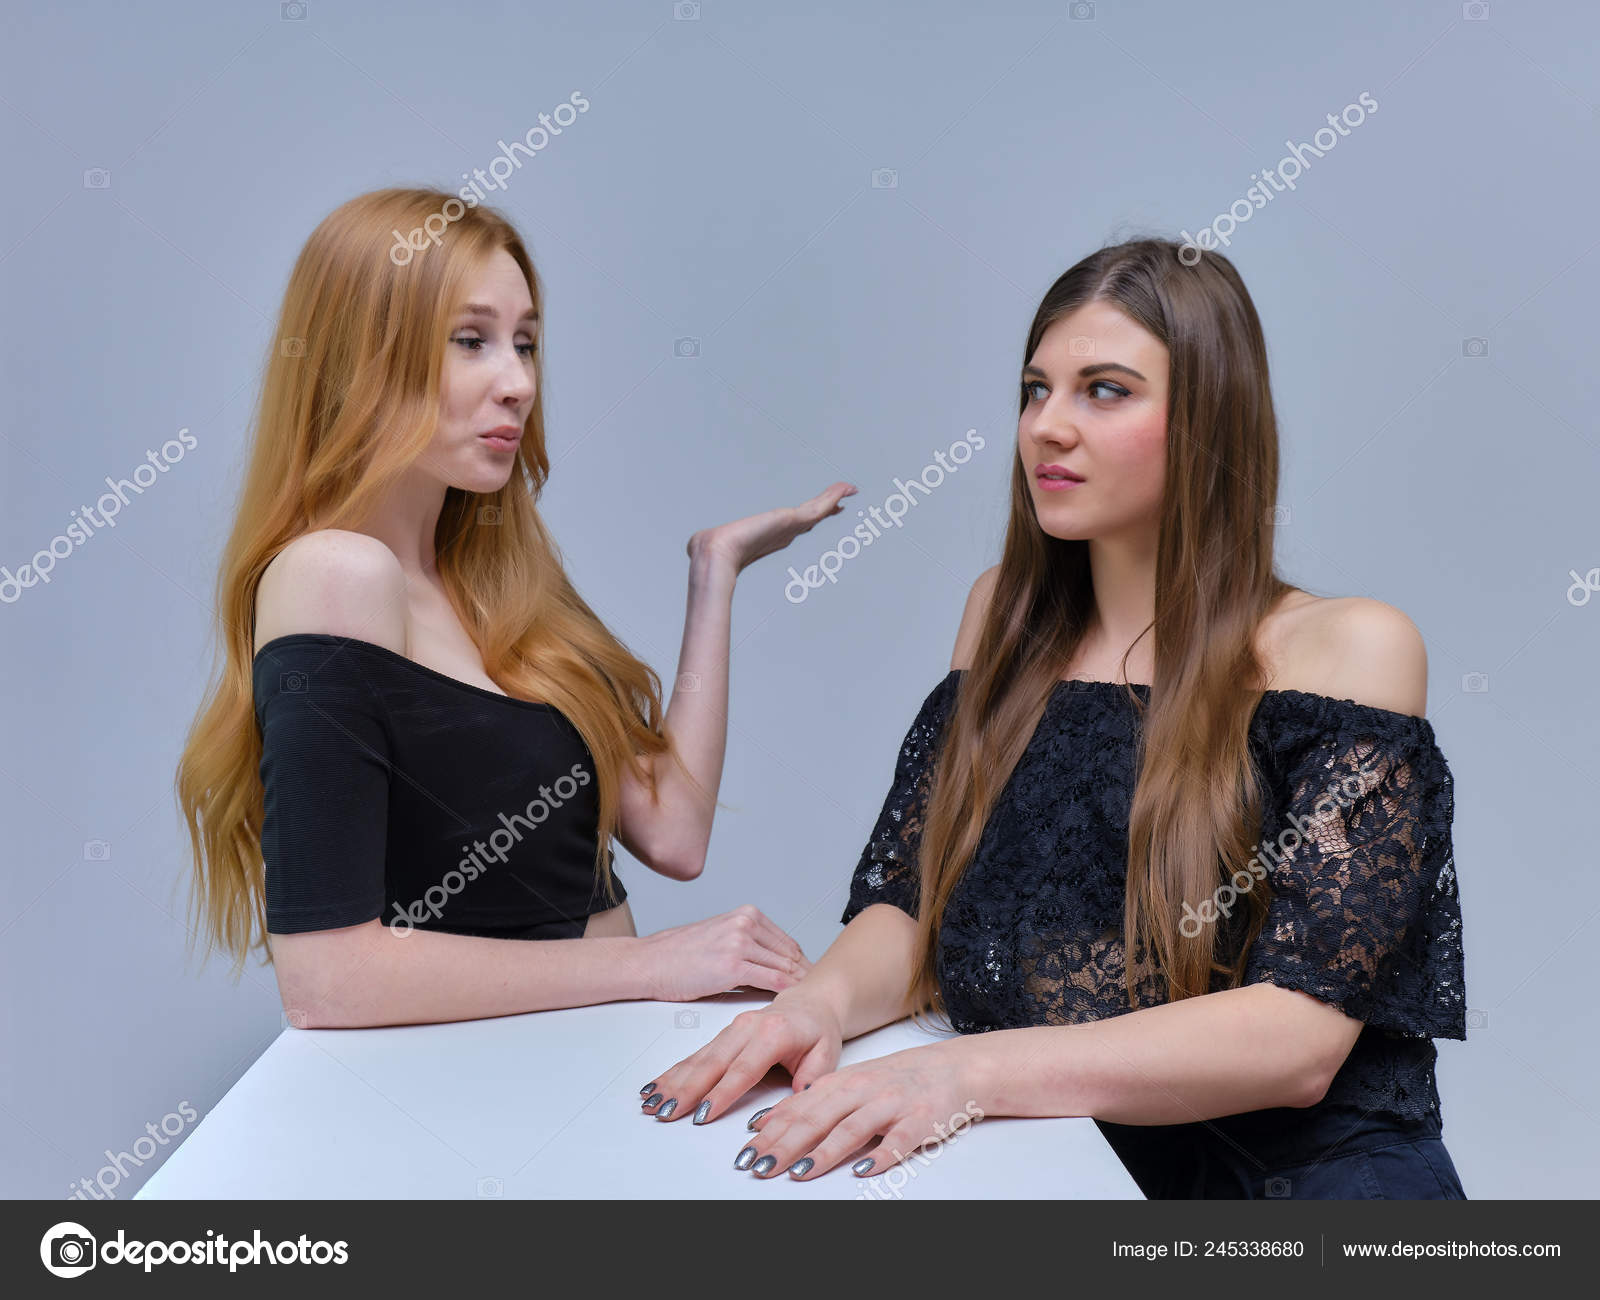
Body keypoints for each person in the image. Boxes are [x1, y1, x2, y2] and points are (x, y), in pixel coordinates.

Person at [637, 238, 1467, 1199]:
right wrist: (813, 1004)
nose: (1046, 428)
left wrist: (959, 1074)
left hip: (1298, 1184)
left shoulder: (1349, 648)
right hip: (1053, 1160)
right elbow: (917, 902)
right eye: (1036, 390)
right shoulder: (1002, 616)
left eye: (1104, 391)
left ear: (1210, 422)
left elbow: (1297, 1040)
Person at [175, 187, 850, 1029]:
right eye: (472, 342)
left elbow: (675, 834)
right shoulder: (334, 577)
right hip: (477, 1092)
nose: (519, 383)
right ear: (363, 356)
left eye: (526, 344)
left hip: (588, 1060)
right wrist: (649, 963)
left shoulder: (500, 583)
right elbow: (328, 980)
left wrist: (715, 576)